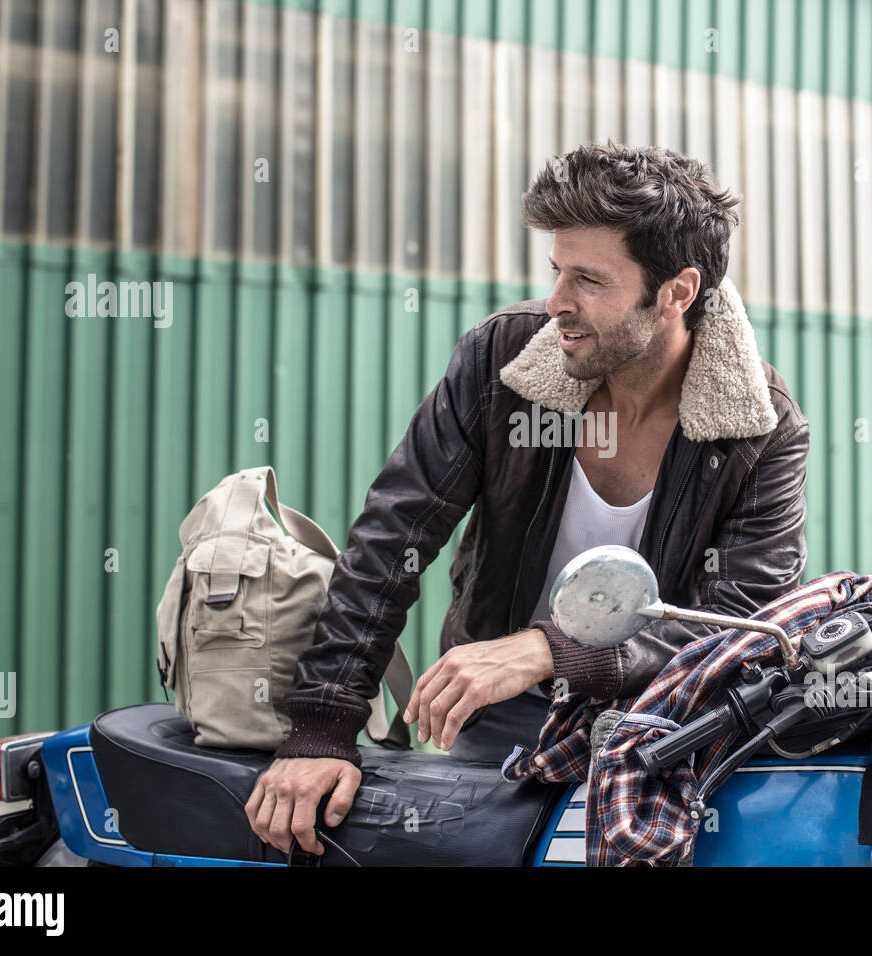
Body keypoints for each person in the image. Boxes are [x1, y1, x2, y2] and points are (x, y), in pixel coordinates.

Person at [244, 142, 810, 856]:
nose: (556, 303)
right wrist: (323, 725)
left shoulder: (761, 430)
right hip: (501, 715)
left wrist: (549, 648)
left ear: (676, 292)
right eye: (556, 272)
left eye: (589, 280)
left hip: (662, 727)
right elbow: (395, 535)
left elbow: (736, 626)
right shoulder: (502, 362)